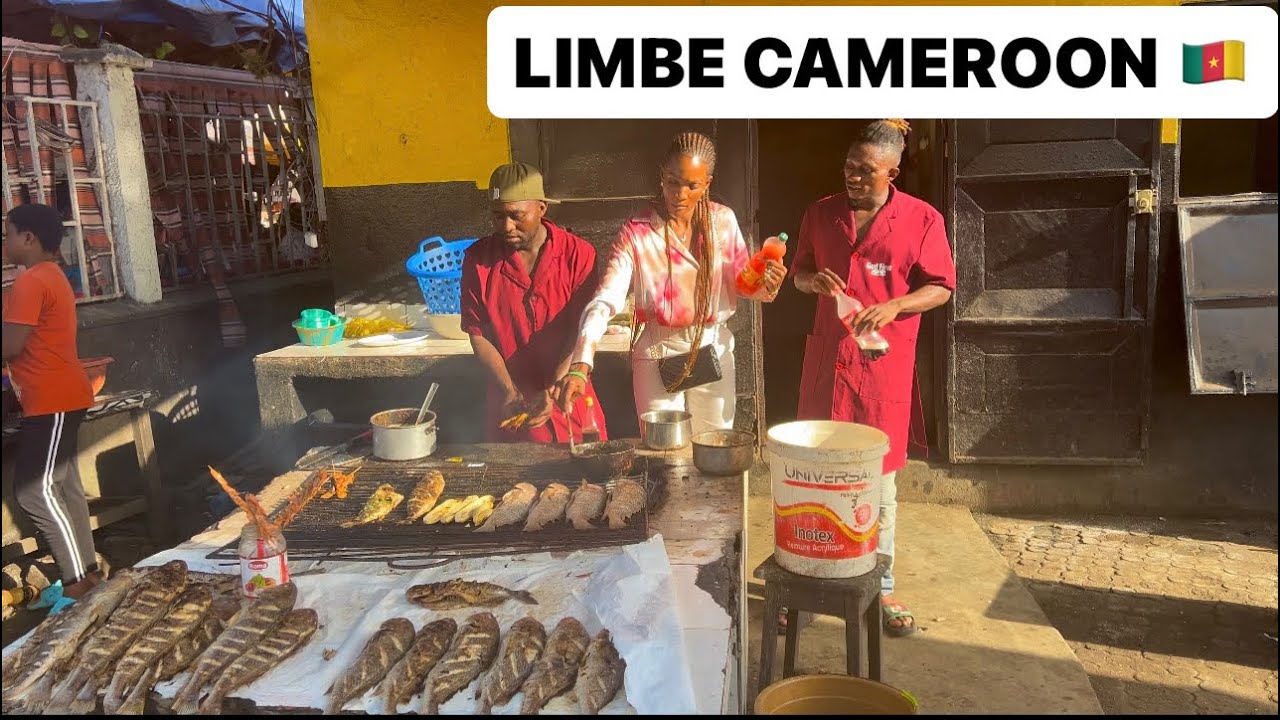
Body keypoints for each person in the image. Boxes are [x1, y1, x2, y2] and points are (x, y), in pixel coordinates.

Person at [792, 119, 956, 638]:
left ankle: (881, 587)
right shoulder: (820, 214)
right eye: (849, 167)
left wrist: (896, 306)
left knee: (877, 486)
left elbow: (942, 286)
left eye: (867, 171)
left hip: (880, 371)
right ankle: (812, 582)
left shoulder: (921, 219)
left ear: (893, 171)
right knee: (814, 481)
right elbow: (797, 272)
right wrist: (811, 280)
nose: (855, 178)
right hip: (827, 366)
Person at [555, 131, 785, 432]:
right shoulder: (637, 232)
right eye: (673, 182)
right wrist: (581, 362)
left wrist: (768, 284)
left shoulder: (723, 221)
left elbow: (742, 284)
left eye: (692, 185)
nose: (680, 194)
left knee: (714, 446)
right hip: (657, 352)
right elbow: (605, 299)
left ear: (707, 185)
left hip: (712, 345)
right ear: (662, 176)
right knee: (664, 454)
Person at [460, 162, 607, 443]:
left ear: (541, 208)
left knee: (585, 481)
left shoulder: (579, 255)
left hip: (568, 395)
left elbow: (583, 329)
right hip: (510, 402)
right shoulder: (477, 260)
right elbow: (478, 334)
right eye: (497, 216)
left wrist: (553, 386)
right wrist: (509, 390)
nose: (506, 226)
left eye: (517, 216)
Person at [2, 203, 101, 605]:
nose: (4, 241)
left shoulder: (31, 282)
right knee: (65, 486)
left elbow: (11, 345)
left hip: (52, 398)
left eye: (8, 233)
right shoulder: (51, 275)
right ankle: (89, 576)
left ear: (29, 238)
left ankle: (77, 582)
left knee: (34, 492)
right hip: (60, 396)